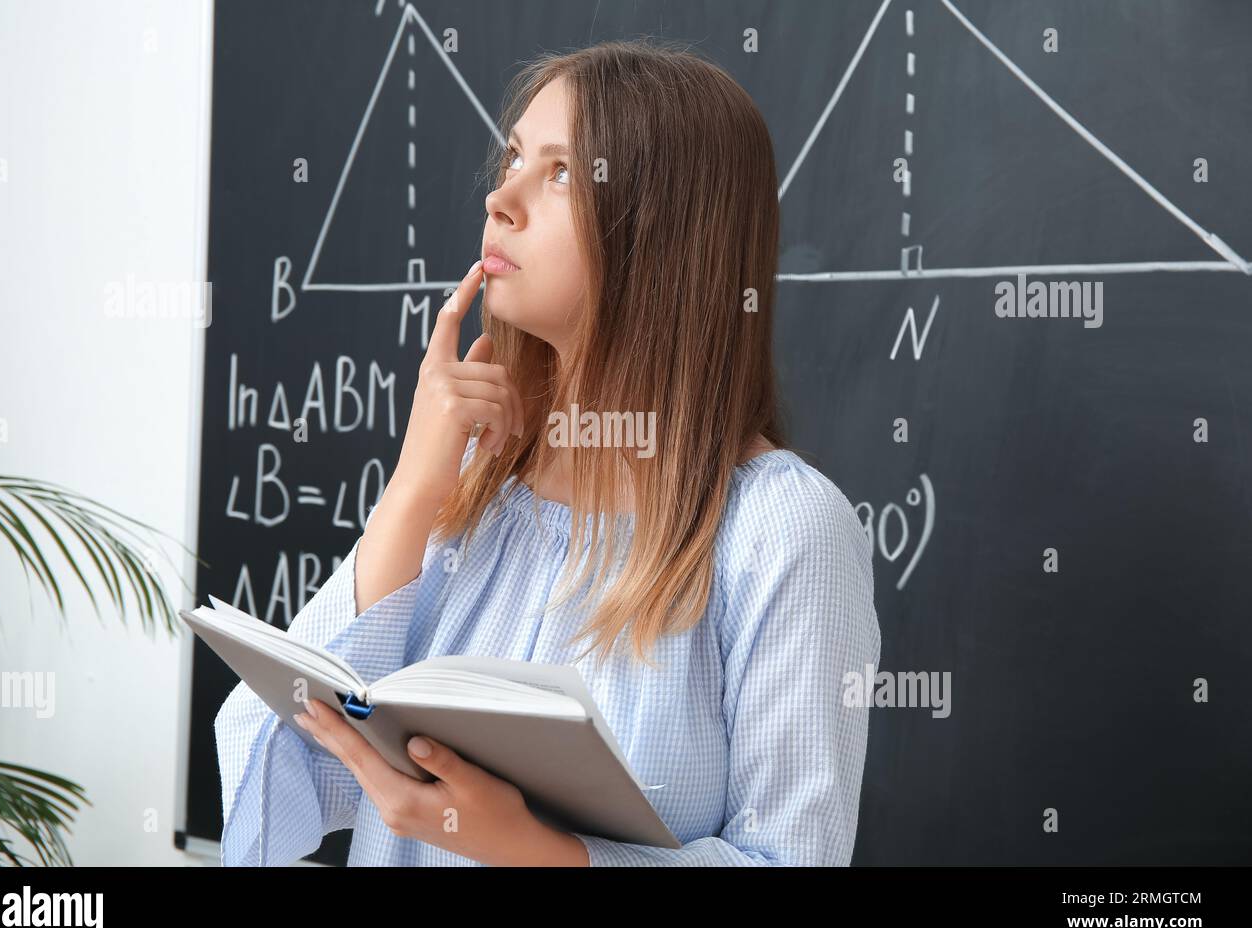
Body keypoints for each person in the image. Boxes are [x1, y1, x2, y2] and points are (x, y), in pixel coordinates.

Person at [214, 38, 882, 866]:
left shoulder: (782, 530)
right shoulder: (472, 480)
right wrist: (416, 485)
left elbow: (792, 859)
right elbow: (273, 762)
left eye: (561, 173)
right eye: (514, 159)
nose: (502, 197)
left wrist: (530, 847)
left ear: (666, 233)